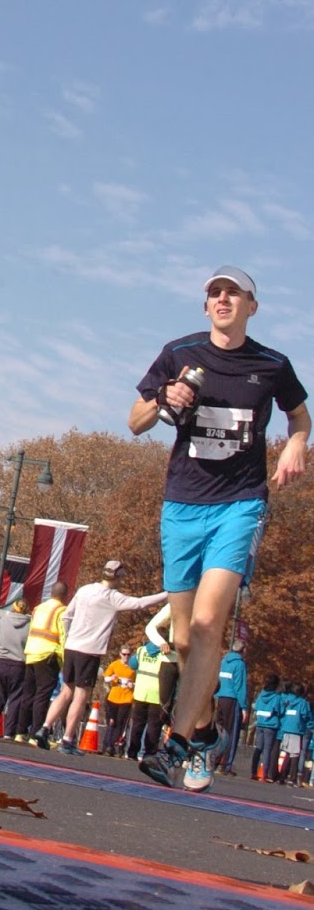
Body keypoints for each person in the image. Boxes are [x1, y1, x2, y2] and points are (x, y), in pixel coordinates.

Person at [129, 266, 309, 793]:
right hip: (182, 505)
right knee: (185, 640)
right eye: (215, 292)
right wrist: (163, 398)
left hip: (240, 505)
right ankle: (206, 733)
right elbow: (135, 421)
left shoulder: (272, 365)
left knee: (209, 625)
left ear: (252, 306)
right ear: (206, 306)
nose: (223, 299)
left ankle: (175, 746)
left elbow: (300, 416)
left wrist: (296, 444)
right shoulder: (179, 353)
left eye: (234, 292)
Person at [30, 561, 166, 754]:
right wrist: (168, 594)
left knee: (66, 691)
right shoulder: (112, 597)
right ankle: (67, 739)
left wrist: (69, 636)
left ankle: (44, 728)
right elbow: (140, 602)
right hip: (90, 651)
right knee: (80, 695)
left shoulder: (84, 590)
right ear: (118, 577)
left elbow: (66, 616)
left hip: (72, 647)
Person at [18, 582, 68, 741]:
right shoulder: (62, 611)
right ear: (65, 595)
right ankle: (35, 734)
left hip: (31, 652)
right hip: (48, 655)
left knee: (28, 694)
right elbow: (64, 636)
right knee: (43, 696)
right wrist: (65, 661)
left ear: (51, 593)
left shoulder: (38, 608)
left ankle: (20, 732)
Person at [0, 596, 30, 738]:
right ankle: (9, 732)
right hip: (19, 664)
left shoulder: (2, 621)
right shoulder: (30, 625)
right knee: (15, 699)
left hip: (2, 662)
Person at [125, 639, 165, 761]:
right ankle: (149, 753)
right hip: (157, 694)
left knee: (137, 724)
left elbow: (132, 664)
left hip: (140, 692)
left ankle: (132, 752)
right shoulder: (165, 653)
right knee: (154, 726)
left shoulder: (142, 650)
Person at [215, 640, 249, 776]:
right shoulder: (240, 664)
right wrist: (244, 707)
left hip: (219, 697)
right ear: (243, 650)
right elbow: (240, 686)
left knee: (218, 731)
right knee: (231, 733)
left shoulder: (223, 661)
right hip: (232, 700)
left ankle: (214, 760)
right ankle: (225, 765)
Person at [102, 645, 136, 756]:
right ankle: (107, 745)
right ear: (120, 654)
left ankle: (114, 745)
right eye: (124, 654)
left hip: (126, 698)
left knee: (121, 723)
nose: (126, 657)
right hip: (113, 697)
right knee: (111, 722)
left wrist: (132, 684)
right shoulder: (115, 665)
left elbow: (138, 682)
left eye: (128, 655)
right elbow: (106, 677)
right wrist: (112, 678)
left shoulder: (134, 667)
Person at [249, 672, 283, 781]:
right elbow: (280, 711)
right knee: (267, 750)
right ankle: (264, 774)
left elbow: (256, 707)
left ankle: (253, 772)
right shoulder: (277, 697)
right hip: (270, 725)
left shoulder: (261, 695)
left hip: (260, 724)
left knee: (258, 748)